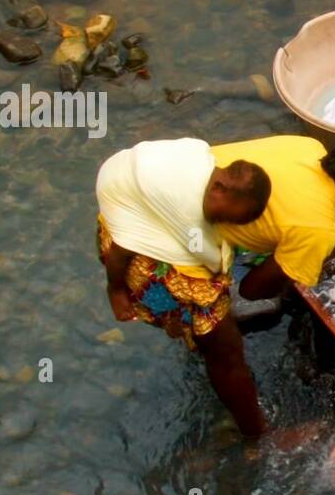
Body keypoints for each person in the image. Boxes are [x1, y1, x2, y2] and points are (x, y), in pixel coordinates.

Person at [96, 138, 272, 436]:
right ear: (218, 188)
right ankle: (255, 435)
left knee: (211, 336)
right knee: (224, 349)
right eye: (224, 217)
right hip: (129, 247)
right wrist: (115, 289)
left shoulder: (202, 166)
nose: (222, 224)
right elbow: (122, 250)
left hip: (126, 201)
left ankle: (198, 342)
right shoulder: (180, 207)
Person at [213, 128, 335, 299]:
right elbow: (251, 291)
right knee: (223, 337)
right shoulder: (317, 230)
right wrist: (320, 253)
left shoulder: (309, 145)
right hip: (187, 231)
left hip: (190, 168)